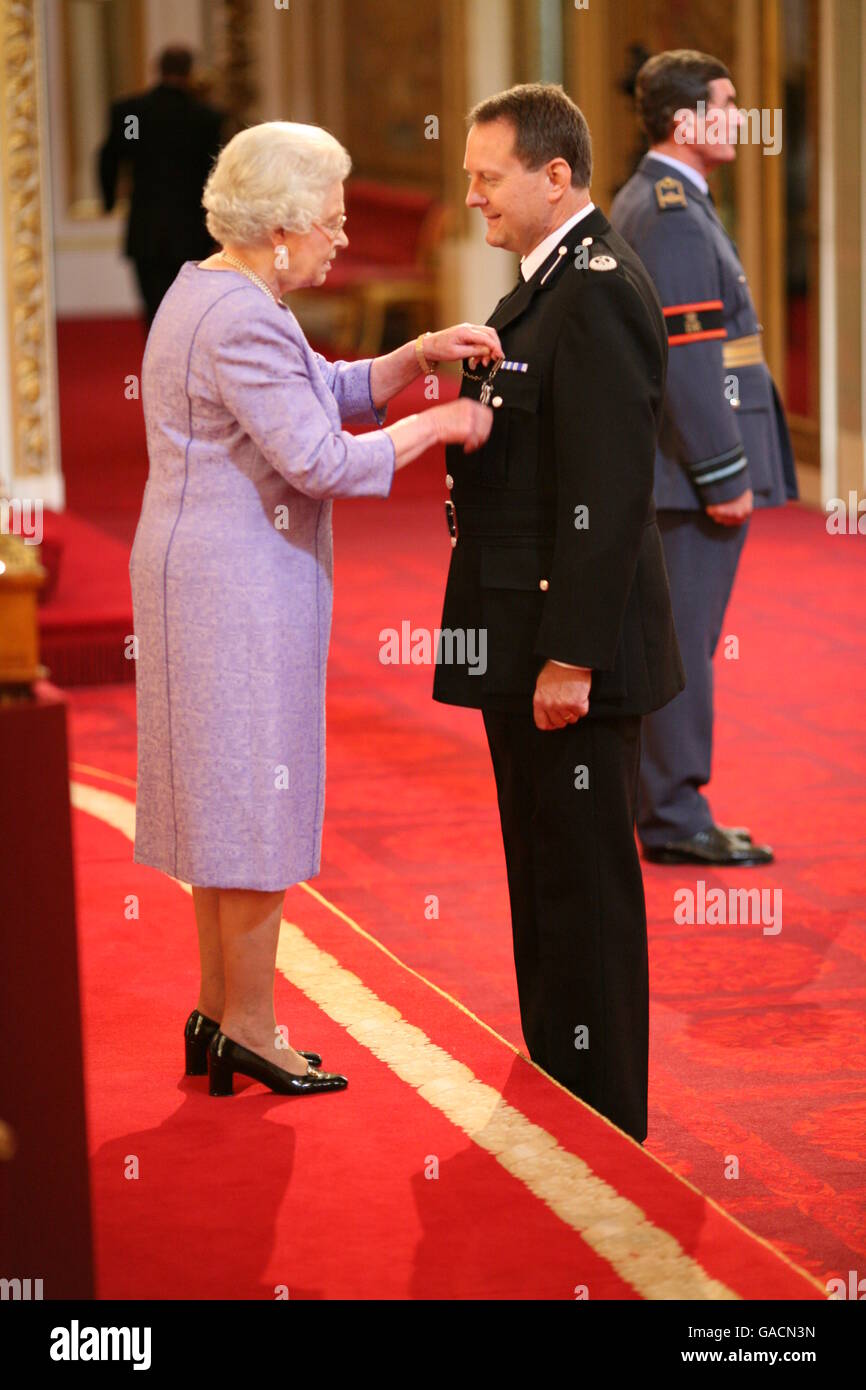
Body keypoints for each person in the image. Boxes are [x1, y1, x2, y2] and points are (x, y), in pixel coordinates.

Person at [129, 120, 498, 1099]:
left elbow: (317, 389)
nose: (341, 238)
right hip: (234, 584)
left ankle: (218, 1011)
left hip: (201, 573)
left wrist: (416, 354)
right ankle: (250, 1024)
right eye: (330, 222)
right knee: (251, 799)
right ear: (283, 226)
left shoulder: (212, 288)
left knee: (222, 797)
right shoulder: (245, 314)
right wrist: (442, 421)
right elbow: (317, 457)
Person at [432, 84, 685, 1145]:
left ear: (554, 176)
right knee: (538, 869)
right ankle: (556, 1086)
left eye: (488, 177)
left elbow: (612, 490)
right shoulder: (541, 286)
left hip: (564, 651)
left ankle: (604, 1124)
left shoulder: (595, 288)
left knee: (580, 886)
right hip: (517, 632)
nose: (474, 196)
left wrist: (571, 657)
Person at [610, 49, 798, 867]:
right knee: (682, 642)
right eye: (726, 106)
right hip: (687, 477)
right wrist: (724, 475)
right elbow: (690, 364)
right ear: (685, 123)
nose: (739, 119)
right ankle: (675, 813)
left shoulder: (659, 198)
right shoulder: (674, 210)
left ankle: (661, 803)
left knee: (673, 637)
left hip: (675, 471)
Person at [98, 45, 226, 326]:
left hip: (146, 226)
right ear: (190, 72)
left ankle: (157, 360)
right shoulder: (206, 117)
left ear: (157, 68)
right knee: (188, 305)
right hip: (191, 229)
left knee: (153, 307)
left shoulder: (133, 114)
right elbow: (216, 174)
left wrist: (108, 200)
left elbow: (114, 156)